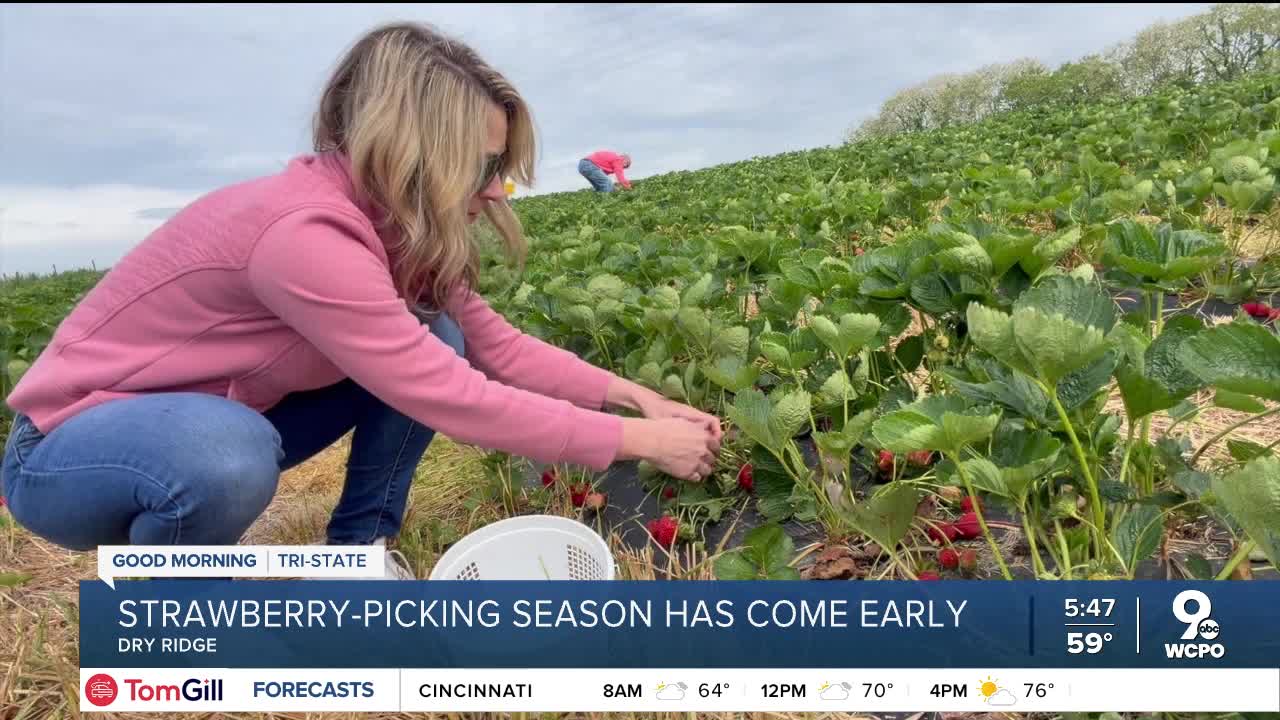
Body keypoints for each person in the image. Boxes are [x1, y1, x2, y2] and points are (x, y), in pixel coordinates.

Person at [0, 22, 721, 579]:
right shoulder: (303, 233)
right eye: (482, 163)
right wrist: (637, 443)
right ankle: (171, 603)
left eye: (499, 166)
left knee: (441, 334)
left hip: (213, 417)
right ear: (416, 149)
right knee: (228, 456)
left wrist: (635, 398)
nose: (495, 188)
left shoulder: (398, 231)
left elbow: (494, 348)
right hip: (68, 454)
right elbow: (446, 396)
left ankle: (360, 551)